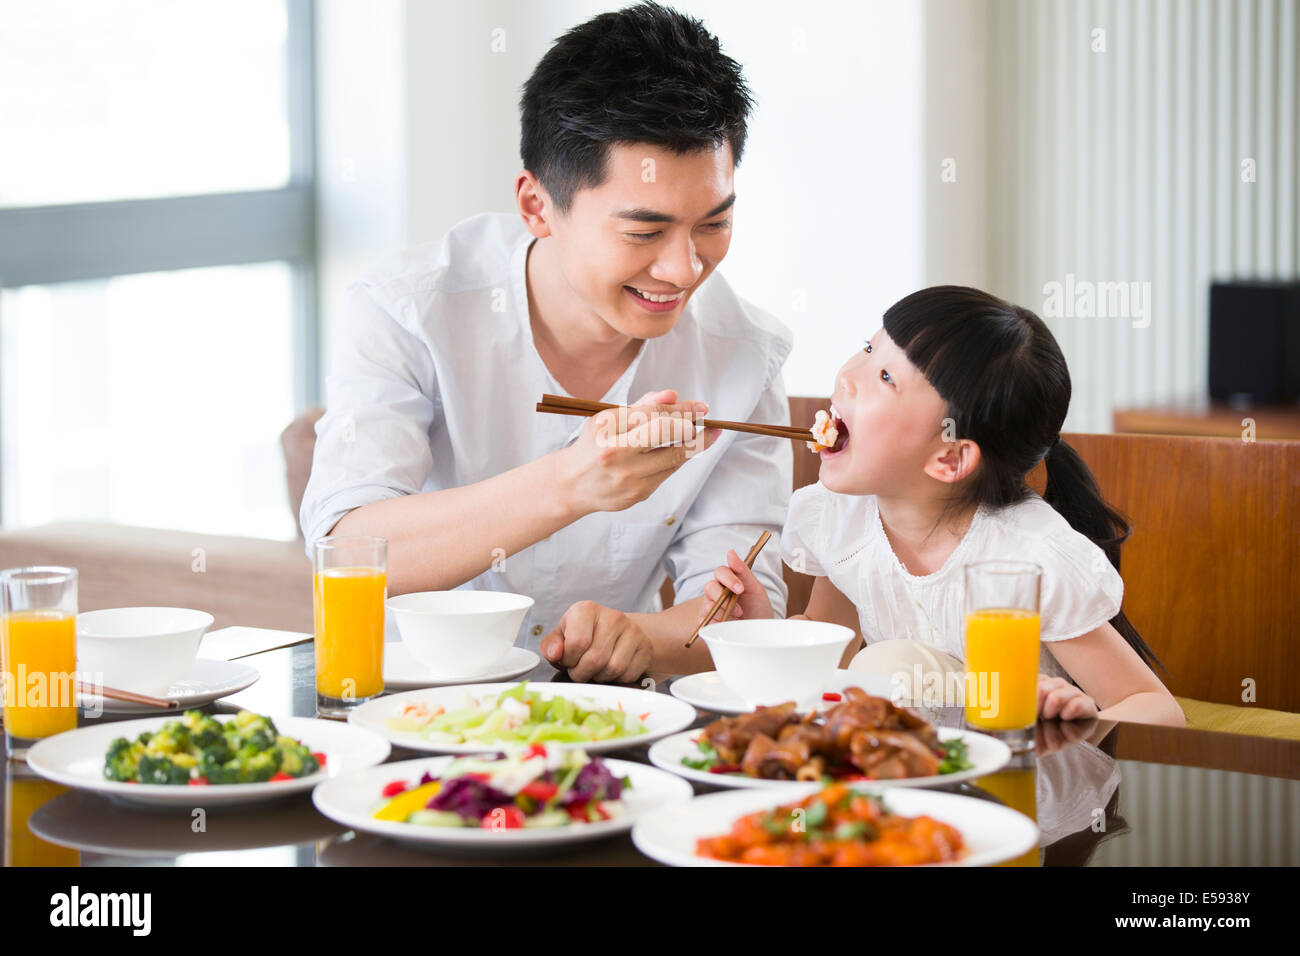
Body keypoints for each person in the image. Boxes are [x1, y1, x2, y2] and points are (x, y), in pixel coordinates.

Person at [300, 2, 792, 683]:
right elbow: (345, 551)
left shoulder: (745, 355)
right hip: (411, 712)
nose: (684, 269)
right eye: (644, 232)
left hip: (618, 728)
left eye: (713, 223)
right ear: (537, 206)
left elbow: (739, 611)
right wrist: (571, 483)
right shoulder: (409, 308)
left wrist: (640, 638)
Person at [701, 286, 1186, 726]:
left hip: (1015, 789)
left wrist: (1080, 723)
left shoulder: (1028, 556)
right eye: (868, 349)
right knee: (877, 673)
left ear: (950, 456)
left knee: (887, 668)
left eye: (886, 376)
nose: (848, 377)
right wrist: (764, 631)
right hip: (909, 781)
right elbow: (835, 648)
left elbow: (1158, 709)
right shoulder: (839, 518)